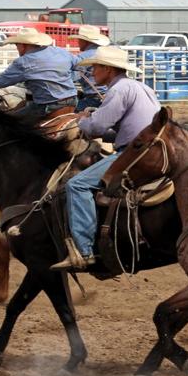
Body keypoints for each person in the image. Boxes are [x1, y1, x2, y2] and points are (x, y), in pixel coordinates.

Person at [48, 45, 160, 272]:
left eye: (96, 67)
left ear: (108, 69)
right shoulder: (139, 87)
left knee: (76, 185)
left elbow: (97, 127)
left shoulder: (118, 90)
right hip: (150, 148)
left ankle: (83, 250)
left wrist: (82, 120)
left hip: (134, 153)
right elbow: (120, 130)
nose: (92, 73)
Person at [0, 30, 77, 118]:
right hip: (73, 101)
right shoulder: (60, 52)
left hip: (47, 106)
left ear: (23, 45)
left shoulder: (23, 62)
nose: (17, 48)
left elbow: (1, 81)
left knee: (8, 122)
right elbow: (78, 67)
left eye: (16, 45)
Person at [70, 24, 111, 111]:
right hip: (110, 96)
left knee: (72, 116)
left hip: (93, 98)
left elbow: (73, 77)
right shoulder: (105, 52)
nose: (78, 42)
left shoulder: (83, 57)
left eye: (79, 40)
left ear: (85, 41)